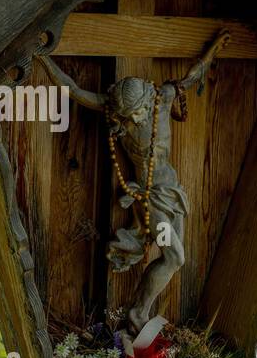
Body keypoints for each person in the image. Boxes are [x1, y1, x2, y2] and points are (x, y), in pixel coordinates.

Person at [37, 28, 231, 334]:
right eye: (129, 117)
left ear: (148, 100)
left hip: (172, 190)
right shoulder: (112, 109)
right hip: (149, 198)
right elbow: (71, 89)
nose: (136, 120)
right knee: (175, 256)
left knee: (175, 259)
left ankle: (140, 310)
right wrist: (42, 57)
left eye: (139, 112)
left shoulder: (163, 99)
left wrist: (213, 50)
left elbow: (192, 76)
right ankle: (138, 313)